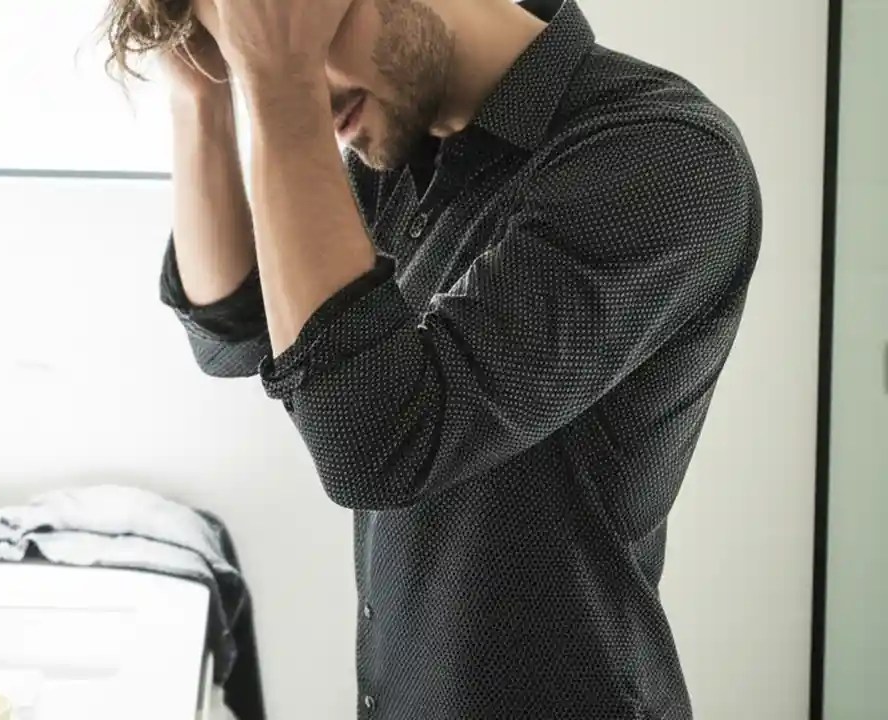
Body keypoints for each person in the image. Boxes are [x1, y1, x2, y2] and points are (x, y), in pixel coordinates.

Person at [109, 0, 762, 716]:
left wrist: (281, 83)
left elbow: (381, 446)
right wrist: (199, 98)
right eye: (250, 45)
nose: (304, 90)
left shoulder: (663, 155)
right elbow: (233, 332)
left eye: (286, 25)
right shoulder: (399, 142)